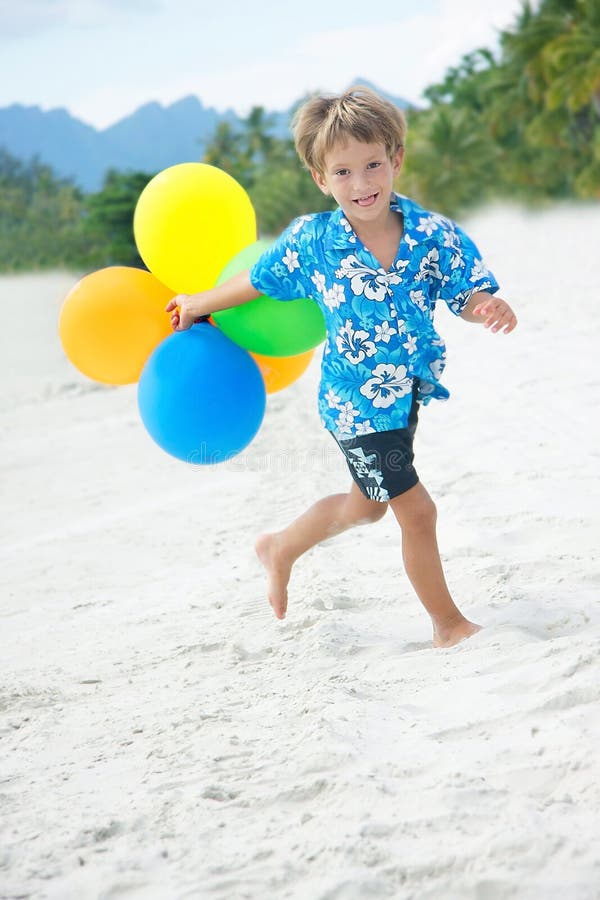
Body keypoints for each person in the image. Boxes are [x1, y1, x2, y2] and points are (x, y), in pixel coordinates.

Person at [165, 86, 517, 648]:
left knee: (367, 506)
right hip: (353, 403)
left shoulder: (433, 235)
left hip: (404, 396)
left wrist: (487, 308)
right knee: (416, 511)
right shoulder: (313, 241)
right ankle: (448, 625)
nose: (362, 183)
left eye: (373, 164)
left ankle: (280, 547)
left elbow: (466, 292)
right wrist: (198, 302)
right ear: (321, 178)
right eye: (344, 171)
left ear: (395, 159)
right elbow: (256, 280)